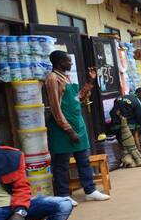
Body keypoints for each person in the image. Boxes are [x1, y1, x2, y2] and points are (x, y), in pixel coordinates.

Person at [44, 50, 110, 202]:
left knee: (84, 160)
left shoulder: (66, 78)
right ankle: (63, 195)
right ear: (60, 62)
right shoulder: (52, 78)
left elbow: (77, 98)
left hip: (77, 123)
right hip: (62, 128)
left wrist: (90, 82)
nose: (71, 63)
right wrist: (68, 130)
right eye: (68, 61)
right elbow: (55, 107)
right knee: (61, 164)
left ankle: (90, 190)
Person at [110, 94, 141, 168]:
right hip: (129, 126)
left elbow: (111, 113)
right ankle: (135, 157)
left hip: (115, 126)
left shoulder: (118, 98)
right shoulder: (136, 100)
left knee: (124, 144)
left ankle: (127, 157)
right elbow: (140, 116)